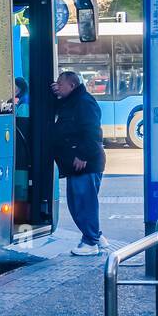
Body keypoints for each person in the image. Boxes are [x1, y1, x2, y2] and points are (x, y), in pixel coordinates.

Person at [51, 70, 107, 256]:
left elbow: (92, 132)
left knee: (83, 203)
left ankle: (90, 242)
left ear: (72, 85)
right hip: (76, 163)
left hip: (85, 163)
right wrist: (55, 95)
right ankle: (96, 236)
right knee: (79, 202)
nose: (57, 85)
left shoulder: (84, 102)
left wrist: (82, 155)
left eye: (60, 83)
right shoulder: (71, 101)